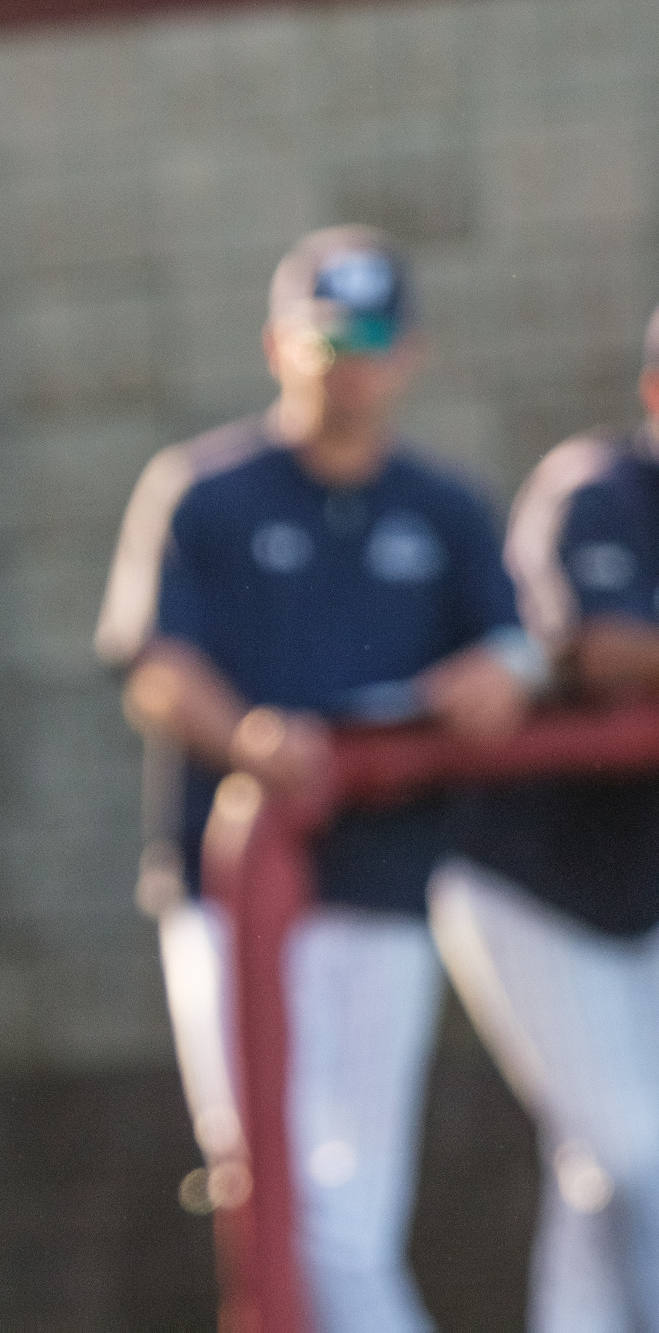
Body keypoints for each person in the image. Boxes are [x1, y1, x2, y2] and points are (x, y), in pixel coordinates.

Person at [95, 225, 540, 1331]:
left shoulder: (441, 505)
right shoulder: (204, 489)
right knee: (268, 1178)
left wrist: (503, 670)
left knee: (347, 1209)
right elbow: (149, 659)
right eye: (323, 335)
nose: (345, 359)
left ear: (410, 353)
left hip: (384, 879)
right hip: (229, 883)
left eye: (370, 336)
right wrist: (247, 735)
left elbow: (516, 647)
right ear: (276, 343)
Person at [432, 303, 659, 1330]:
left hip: (639, 884)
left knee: (607, 1162)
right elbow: (604, 654)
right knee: (625, 1146)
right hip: (529, 878)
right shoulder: (597, 486)